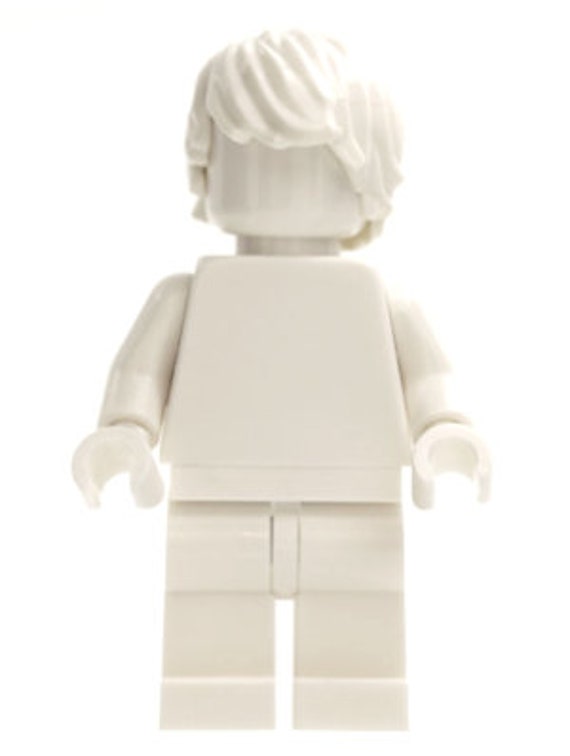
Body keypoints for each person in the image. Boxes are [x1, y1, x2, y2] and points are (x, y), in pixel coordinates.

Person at [72, 29, 491, 730]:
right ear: (207, 164)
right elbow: (139, 374)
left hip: (357, 499)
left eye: (308, 154)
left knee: (359, 664)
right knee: (209, 664)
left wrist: (445, 429)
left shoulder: (383, 299)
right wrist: (125, 433)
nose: (275, 176)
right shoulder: (187, 293)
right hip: (214, 497)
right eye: (246, 150)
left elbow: (431, 380)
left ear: (367, 171)